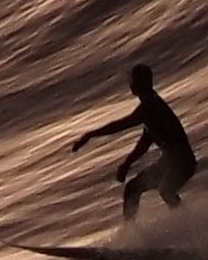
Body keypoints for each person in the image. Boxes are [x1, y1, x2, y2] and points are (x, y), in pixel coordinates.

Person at [74, 53, 197, 210]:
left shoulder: (150, 105)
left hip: (180, 162)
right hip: (173, 160)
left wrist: (91, 135)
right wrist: (127, 164)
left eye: (133, 80)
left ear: (141, 83)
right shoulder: (152, 105)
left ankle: (185, 221)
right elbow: (145, 143)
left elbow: (123, 124)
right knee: (133, 189)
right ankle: (132, 231)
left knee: (165, 190)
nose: (130, 84)